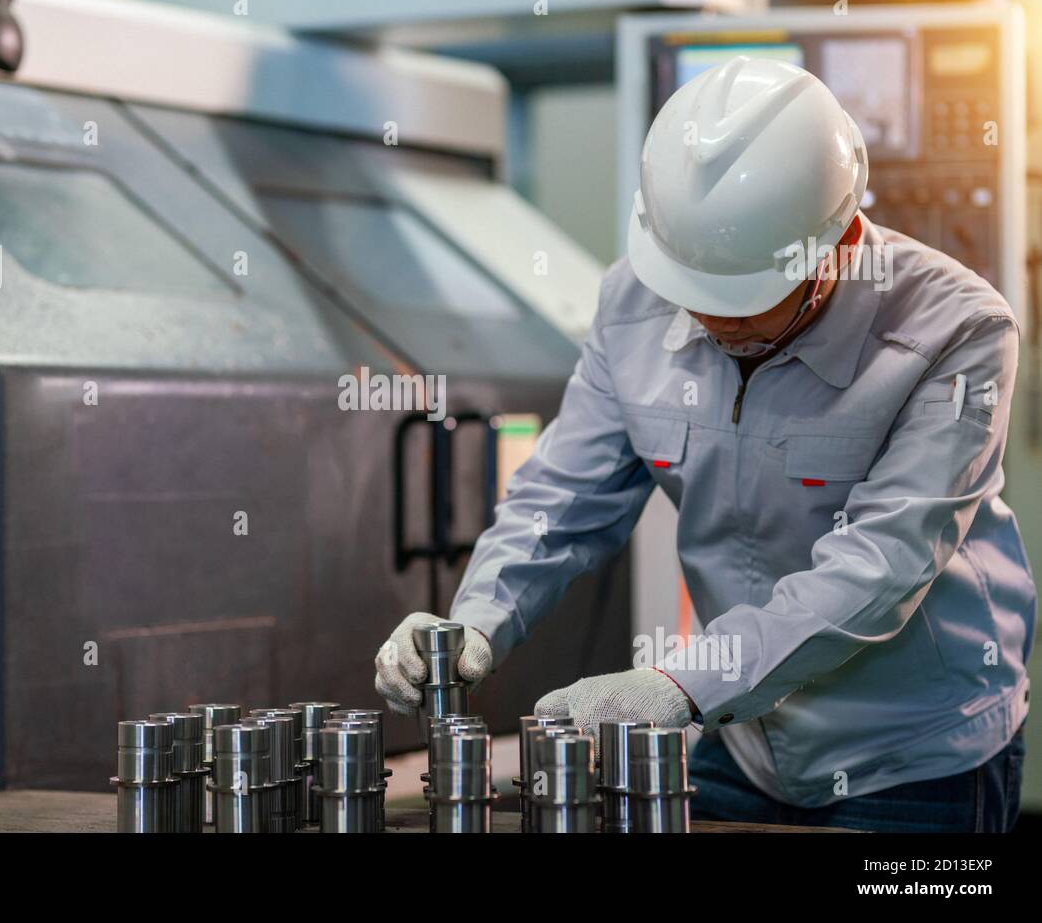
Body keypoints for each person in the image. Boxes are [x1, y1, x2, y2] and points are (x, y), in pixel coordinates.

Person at [375, 56, 1033, 832]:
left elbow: (878, 568)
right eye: (692, 294)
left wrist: (676, 684)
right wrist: (476, 621)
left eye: (746, 301)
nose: (711, 325)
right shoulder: (636, 302)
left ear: (843, 243)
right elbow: (561, 498)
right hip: (742, 736)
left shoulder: (956, 331)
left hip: (911, 753)